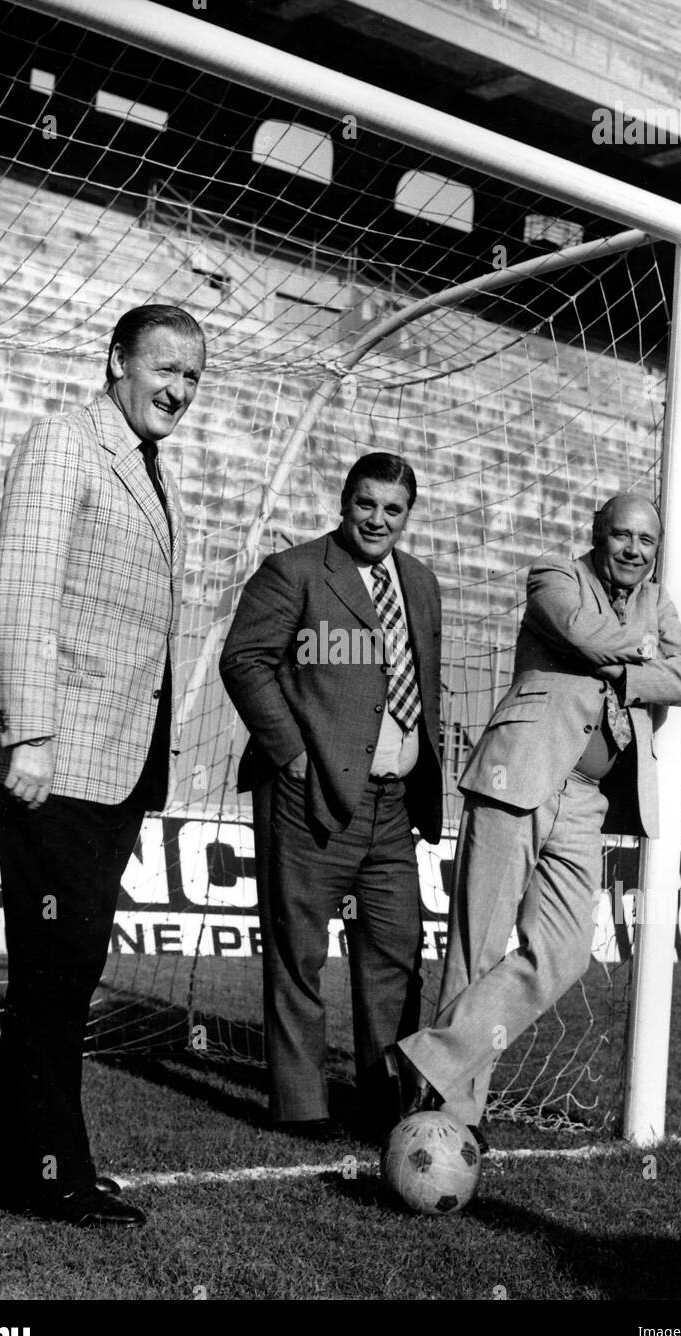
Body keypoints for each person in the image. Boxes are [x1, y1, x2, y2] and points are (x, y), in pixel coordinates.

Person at [0, 304, 206, 1226]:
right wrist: (30, 732)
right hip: (55, 757)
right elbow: (23, 587)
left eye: (193, 376)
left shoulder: (150, 469)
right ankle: (50, 1170)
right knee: (59, 970)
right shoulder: (65, 440)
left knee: (60, 965)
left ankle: (15, 1149)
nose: (179, 389)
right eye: (164, 368)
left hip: (112, 758)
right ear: (116, 361)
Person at [385, 493, 681, 1139]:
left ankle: (424, 1059)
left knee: (563, 953)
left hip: (586, 797)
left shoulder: (656, 601)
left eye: (645, 541)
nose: (633, 551)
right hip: (516, 776)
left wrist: (631, 667)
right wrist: (645, 653)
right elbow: (579, 632)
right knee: (477, 946)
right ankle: (449, 1120)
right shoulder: (554, 572)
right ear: (596, 535)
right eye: (620, 536)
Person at [220, 453, 442, 1141]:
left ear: (408, 515)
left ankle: (382, 1105)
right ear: (344, 502)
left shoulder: (421, 583)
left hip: (393, 805)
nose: (377, 519)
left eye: (392, 508)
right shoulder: (296, 571)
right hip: (309, 795)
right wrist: (289, 753)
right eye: (365, 503)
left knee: (395, 953)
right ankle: (299, 1105)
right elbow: (243, 660)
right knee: (300, 952)